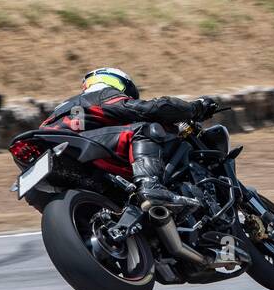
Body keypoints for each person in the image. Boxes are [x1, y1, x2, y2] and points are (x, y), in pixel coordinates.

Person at [39, 67, 218, 201]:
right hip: (73, 144)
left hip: (47, 154)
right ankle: (151, 185)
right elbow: (150, 109)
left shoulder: (61, 109)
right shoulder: (102, 94)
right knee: (145, 129)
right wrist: (195, 108)